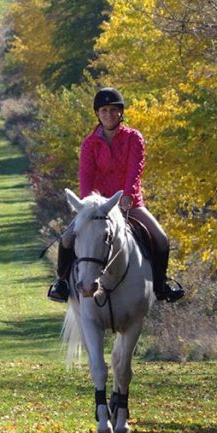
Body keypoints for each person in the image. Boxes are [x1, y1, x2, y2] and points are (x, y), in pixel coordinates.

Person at [48, 87, 185, 304]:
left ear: (120, 112)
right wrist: (89, 205)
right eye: (104, 110)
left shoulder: (134, 138)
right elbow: (86, 177)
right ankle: (62, 283)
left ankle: (161, 285)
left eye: (113, 110)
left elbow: (135, 170)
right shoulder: (89, 144)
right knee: (66, 238)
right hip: (98, 207)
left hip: (129, 204)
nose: (109, 114)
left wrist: (128, 196)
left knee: (160, 238)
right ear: (97, 113)